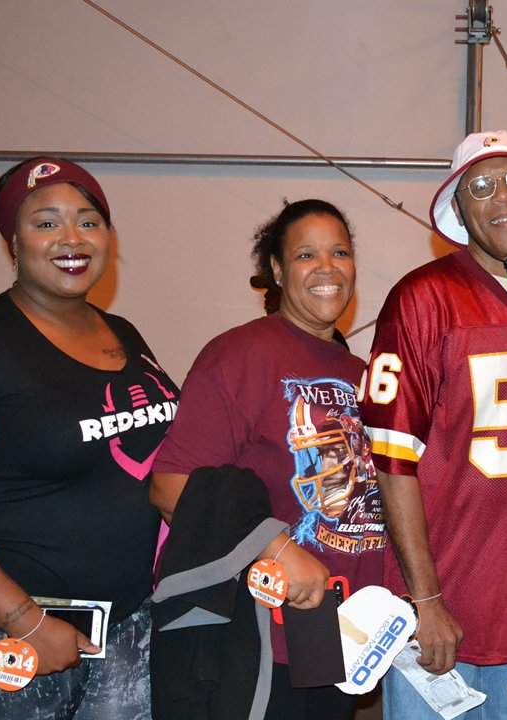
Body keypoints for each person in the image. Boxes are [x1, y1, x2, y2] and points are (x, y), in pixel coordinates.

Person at [0, 157, 178, 719]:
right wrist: (27, 620)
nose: (72, 237)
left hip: (123, 623)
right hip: (4, 627)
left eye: (89, 221)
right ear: (11, 241)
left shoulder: (123, 332)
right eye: (46, 222)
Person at [148, 199, 385, 719]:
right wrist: (276, 551)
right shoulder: (239, 356)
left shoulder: (363, 372)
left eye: (340, 252)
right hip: (261, 631)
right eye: (306, 255)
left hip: (340, 630)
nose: (327, 268)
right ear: (277, 271)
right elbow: (170, 486)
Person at [360, 130, 507, 719]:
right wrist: (424, 598)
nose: (503, 197)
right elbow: (391, 460)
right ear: (459, 207)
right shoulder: (423, 298)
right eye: (481, 186)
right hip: (442, 603)